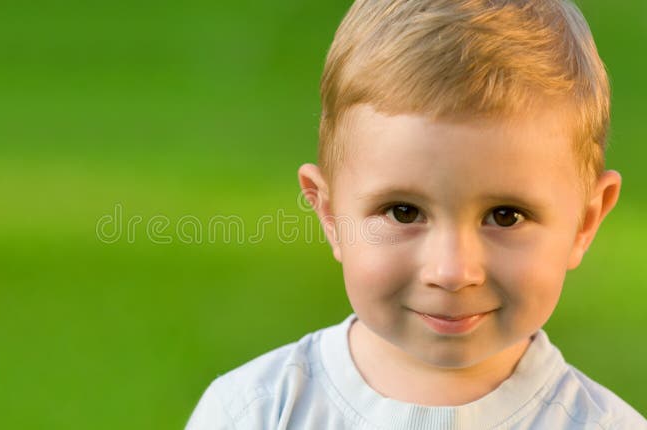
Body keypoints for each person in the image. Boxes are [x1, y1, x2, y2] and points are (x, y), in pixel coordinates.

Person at [186, 0, 647, 428]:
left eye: (506, 216)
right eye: (404, 212)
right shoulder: (256, 410)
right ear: (331, 214)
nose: (452, 271)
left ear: (584, 222)